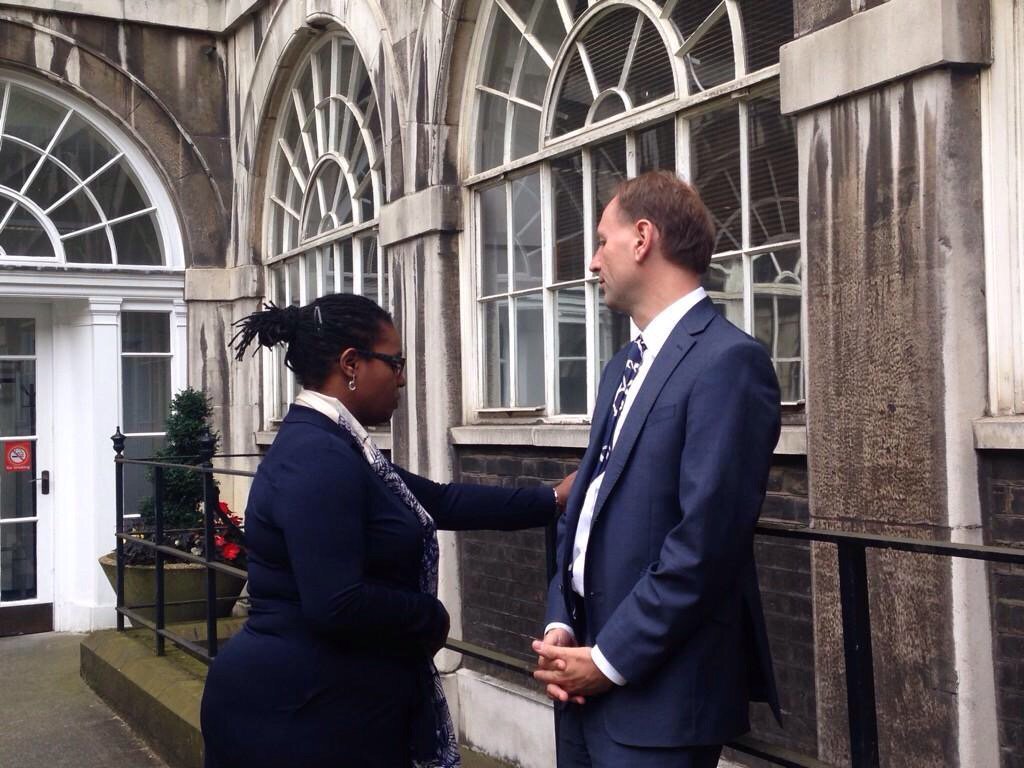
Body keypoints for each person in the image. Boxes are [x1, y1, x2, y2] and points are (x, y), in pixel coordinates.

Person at [201, 293, 574, 768]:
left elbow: (439, 500)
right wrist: (430, 617)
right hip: (296, 716)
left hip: (327, 703)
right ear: (351, 364)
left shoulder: (338, 444)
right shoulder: (317, 457)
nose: (401, 377)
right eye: (394, 362)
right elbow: (337, 603)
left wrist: (552, 499)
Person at [532, 171, 782, 768]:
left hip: (660, 705)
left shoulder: (729, 362)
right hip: (579, 685)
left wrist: (608, 660)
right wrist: (562, 622)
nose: (593, 261)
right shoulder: (620, 365)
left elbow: (705, 543)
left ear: (643, 238)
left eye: (602, 241)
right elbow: (588, 505)